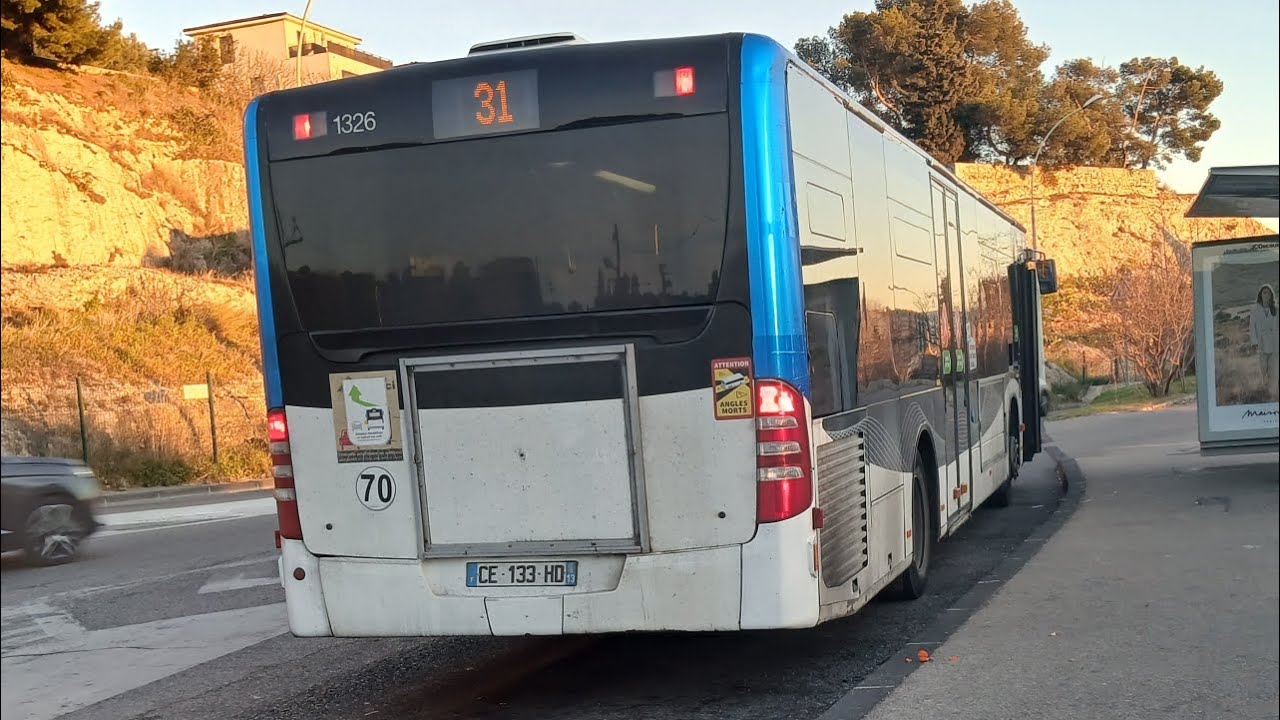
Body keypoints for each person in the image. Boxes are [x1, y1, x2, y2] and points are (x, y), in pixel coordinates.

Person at [1248, 283, 1279, 394]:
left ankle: (1272, 393)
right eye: (1264, 292)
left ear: (1271, 295)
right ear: (1260, 295)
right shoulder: (1255, 310)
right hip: (1261, 344)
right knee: (1262, 369)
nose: (1266, 295)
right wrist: (1254, 342)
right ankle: (1263, 390)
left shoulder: (1276, 309)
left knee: (1273, 369)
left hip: (1275, 343)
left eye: (1268, 293)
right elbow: (1252, 327)